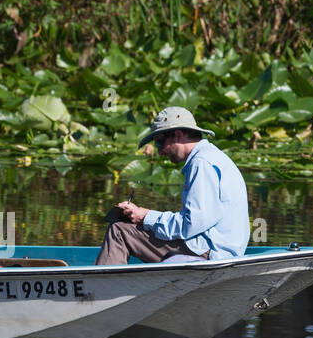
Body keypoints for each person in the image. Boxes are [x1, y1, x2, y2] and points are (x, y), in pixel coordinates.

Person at [96, 106, 249, 265]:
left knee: (120, 230)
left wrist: (145, 216)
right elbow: (198, 220)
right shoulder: (212, 155)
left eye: (160, 143)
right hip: (218, 248)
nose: (160, 152)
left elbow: (190, 224)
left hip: (210, 252)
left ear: (178, 135)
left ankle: (99, 286)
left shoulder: (201, 163)